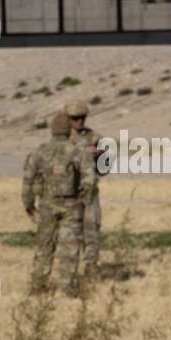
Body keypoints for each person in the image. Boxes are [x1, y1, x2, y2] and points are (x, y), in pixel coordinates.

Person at [22, 112, 93, 295]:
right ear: (69, 131)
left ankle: (38, 287)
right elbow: (89, 177)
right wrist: (83, 198)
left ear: (52, 130)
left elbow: (28, 180)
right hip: (72, 206)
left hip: (47, 205)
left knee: (44, 246)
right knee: (70, 249)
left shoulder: (39, 151)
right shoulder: (76, 151)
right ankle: (67, 288)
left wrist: (29, 205)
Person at [65, 99, 105, 279]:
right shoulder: (62, 139)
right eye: (75, 118)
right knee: (69, 234)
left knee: (91, 231)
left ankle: (90, 270)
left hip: (89, 192)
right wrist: (79, 153)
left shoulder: (95, 138)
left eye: (82, 118)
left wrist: (100, 155)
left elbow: (105, 168)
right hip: (68, 193)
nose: (79, 121)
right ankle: (68, 273)